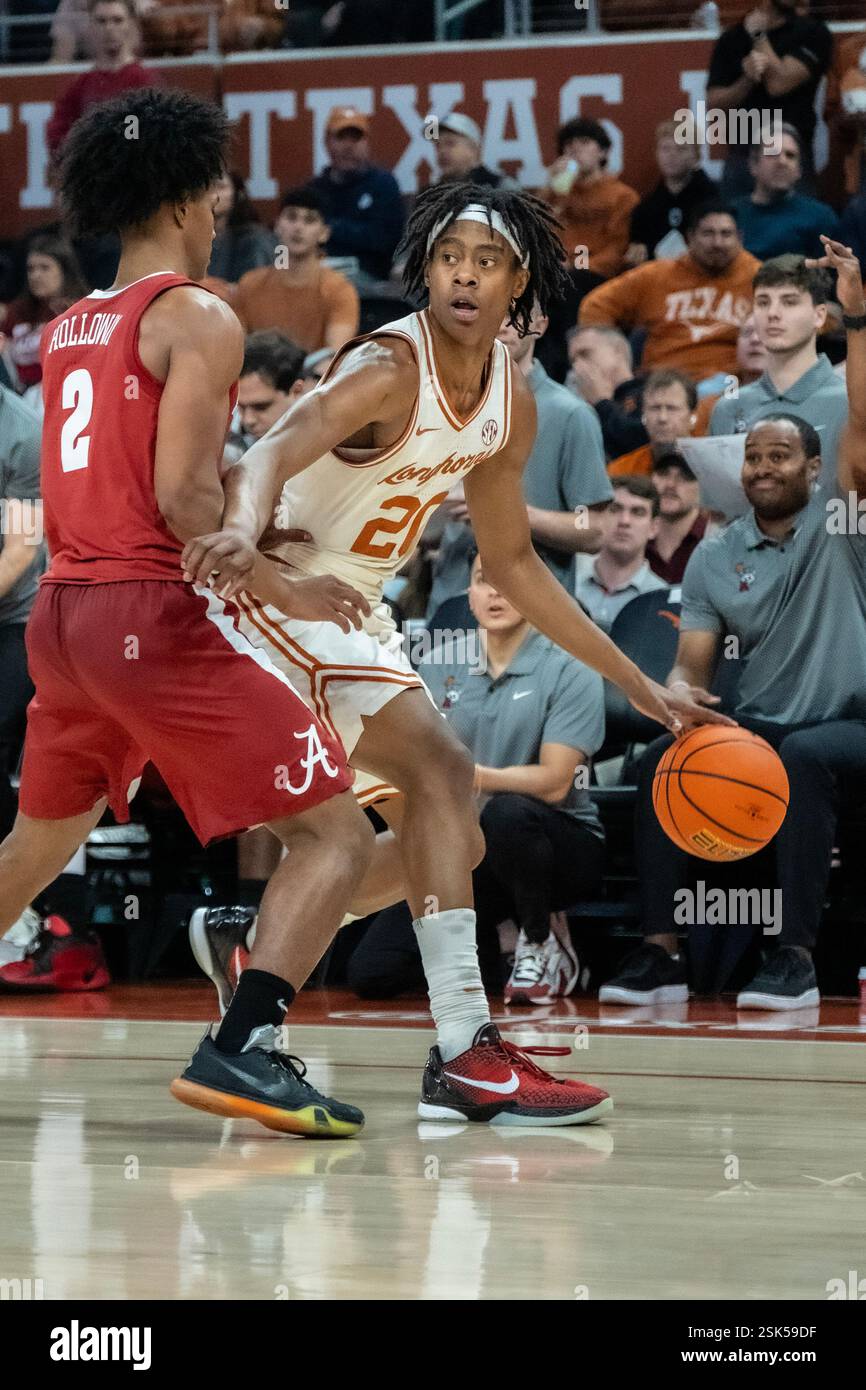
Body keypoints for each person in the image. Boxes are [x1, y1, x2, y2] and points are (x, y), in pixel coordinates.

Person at [183, 183, 731, 1127]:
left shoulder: (508, 408)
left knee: (458, 835)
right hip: (275, 588)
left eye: (487, 262)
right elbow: (269, 449)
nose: (466, 276)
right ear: (426, 272)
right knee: (440, 770)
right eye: (449, 260)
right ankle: (463, 1051)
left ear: (522, 280)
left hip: (355, 614)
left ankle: (254, 938)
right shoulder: (390, 363)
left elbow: (516, 565)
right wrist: (239, 534)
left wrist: (637, 681)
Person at [0, 87, 377, 1137]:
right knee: (334, 836)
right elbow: (180, 502)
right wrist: (281, 578)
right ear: (176, 196)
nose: (223, 212)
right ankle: (242, 1049)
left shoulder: (71, 325)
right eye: (214, 194)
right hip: (144, 614)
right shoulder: (200, 313)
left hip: (62, 613)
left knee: (35, 846)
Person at [600, 296, 866, 1010]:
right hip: (767, 721)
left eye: (780, 457)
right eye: (752, 457)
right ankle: (662, 953)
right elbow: (694, 658)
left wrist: (858, 324)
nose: (762, 469)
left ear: (815, 469)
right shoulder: (715, 556)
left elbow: (861, 418)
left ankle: (796, 960)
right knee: (665, 762)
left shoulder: (842, 522)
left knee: (807, 756)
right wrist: (684, 693)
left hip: (853, 724)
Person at [348, 549, 606, 1004]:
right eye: (485, 579)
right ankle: (500, 947)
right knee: (375, 971)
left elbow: (556, 782)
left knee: (507, 815)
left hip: (556, 845)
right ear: (468, 593)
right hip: (465, 847)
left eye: (510, 579)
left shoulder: (572, 665)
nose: (497, 592)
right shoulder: (437, 663)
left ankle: (543, 940)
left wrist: (469, 775)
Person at [429, 302, 613, 608]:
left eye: (514, 316)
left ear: (539, 325)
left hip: (533, 612)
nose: (501, 325)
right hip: (451, 601)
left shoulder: (570, 414)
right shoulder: (441, 408)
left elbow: (594, 529)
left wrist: (507, 515)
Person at [579, 201, 760, 384]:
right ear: (690, 238)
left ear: (740, 238)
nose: (717, 243)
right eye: (708, 233)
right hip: (659, 383)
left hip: (728, 385)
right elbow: (595, 307)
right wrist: (615, 360)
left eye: (726, 234)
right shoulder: (656, 275)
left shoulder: (759, 278)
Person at [710, 255, 849, 490]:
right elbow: (718, 517)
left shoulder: (851, 403)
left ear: (819, 315)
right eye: (763, 302)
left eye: (789, 301)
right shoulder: (727, 408)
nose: (773, 313)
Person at [705, 0, 833, 196]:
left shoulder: (814, 33)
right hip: (743, 154)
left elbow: (778, 84)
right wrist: (747, 80)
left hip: (791, 153)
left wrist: (758, 35)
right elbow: (714, 102)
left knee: (800, 223)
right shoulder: (732, 38)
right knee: (732, 224)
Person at [233, 188, 359, 352]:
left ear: (324, 233)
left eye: (309, 220)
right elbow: (235, 353)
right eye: (291, 217)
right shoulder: (249, 284)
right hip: (256, 376)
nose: (298, 227)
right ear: (277, 225)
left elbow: (334, 358)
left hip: (316, 377)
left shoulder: (339, 290)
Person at [304, 107, 405, 285]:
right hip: (317, 275)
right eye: (341, 138)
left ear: (367, 144)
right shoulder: (313, 191)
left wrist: (329, 227)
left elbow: (384, 239)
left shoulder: (383, 184)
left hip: (370, 278)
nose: (348, 146)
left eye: (356, 138)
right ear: (327, 143)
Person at [45, 0, 157, 156]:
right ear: (91, 25)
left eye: (117, 20)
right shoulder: (80, 85)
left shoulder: (145, 81)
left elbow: (149, 136)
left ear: (131, 24)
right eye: (101, 21)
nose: (109, 28)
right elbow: (56, 134)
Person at [542, 117, 639, 279]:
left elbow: (617, 249)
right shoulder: (556, 194)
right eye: (569, 144)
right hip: (557, 274)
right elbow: (537, 233)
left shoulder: (622, 196)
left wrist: (577, 268)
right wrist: (549, 186)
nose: (575, 149)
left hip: (596, 275)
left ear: (603, 152)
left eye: (585, 142)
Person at [574, 478, 667, 633]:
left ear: (654, 527)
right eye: (615, 509)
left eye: (637, 512)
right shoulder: (567, 581)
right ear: (601, 517)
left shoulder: (662, 600)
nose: (624, 521)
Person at [733, 126, 839, 261]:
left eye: (790, 155)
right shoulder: (731, 215)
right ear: (753, 164)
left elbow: (829, 276)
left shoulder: (821, 217)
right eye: (773, 154)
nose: (782, 162)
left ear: (799, 170)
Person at [625, 119, 718, 268]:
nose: (672, 155)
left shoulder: (713, 201)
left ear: (696, 156)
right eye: (665, 149)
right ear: (657, 154)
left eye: (681, 149)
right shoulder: (645, 208)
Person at [0, 236, 87, 391]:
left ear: (64, 270)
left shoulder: (82, 310)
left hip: (66, 391)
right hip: (23, 396)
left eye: (44, 267)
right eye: (30, 269)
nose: (35, 275)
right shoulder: (18, 311)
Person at [567, 325, 648, 459]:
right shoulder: (576, 405)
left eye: (585, 354)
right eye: (573, 361)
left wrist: (602, 402)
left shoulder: (649, 392)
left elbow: (640, 442)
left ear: (618, 351)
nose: (577, 366)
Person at [609, 368, 699, 478]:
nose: (662, 418)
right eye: (655, 408)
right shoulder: (621, 471)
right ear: (643, 414)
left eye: (672, 408)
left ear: (692, 416)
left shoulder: (711, 466)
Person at [646, 454, 707, 586]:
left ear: (704, 486)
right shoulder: (635, 536)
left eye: (685, 477)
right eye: (663, 474)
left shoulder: (715, 540)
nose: (670, 484)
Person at [207, 172, 276, 285]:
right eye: (207, 187)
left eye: (220, 187)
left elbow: (254, 287)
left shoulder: (254, 239)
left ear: (237, 194)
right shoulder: (188, 236)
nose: (213, 194)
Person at [432, 111, 519, 191]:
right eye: (438, 145)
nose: (442, 151)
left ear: (473, 148)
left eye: (450, 143)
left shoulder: (502, 188)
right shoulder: (430, 195)